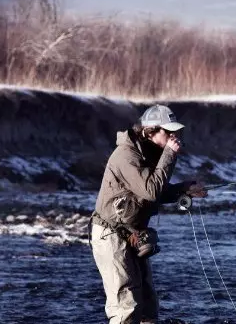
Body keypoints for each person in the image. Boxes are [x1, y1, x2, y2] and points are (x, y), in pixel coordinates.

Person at [89, 104, 207, 324]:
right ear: (151, 130)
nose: (174, 136)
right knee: (127, 307)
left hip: (132, 235)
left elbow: (154, 190)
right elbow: (151, 191)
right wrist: (170, 154)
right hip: (111, 235)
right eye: (168, 131)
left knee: (147, 305)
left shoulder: (149, 153)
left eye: (175, 131)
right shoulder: (127, 155)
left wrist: (184, 188)